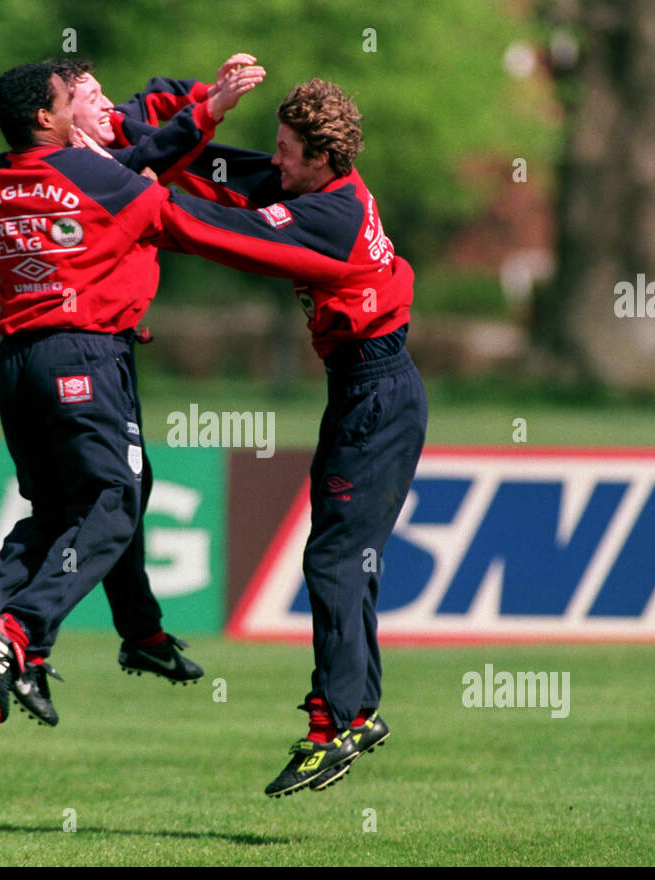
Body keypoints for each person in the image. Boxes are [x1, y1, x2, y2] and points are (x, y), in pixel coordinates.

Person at [0, 61, 262, 728]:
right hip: (81, 354)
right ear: (46, 118)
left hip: (16, 361)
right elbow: (157, 180)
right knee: (113, 503)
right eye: (72, 97)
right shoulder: (84, 173)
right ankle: (22, 632)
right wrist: (211, 116)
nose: (90, 104)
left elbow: (134, 156)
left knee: (63, 508)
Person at [153, 79, 428, 797]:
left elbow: (227, 235)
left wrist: (136, 202)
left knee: (335, 558)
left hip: (378, 395)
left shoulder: (329, 217)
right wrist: (147, 150)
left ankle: (334, 724)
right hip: (368, 390)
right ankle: (355, 712)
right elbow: (236, 176)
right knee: (345, 557)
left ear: (322, 157)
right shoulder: (316, 187)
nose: (275, 161)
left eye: (286, 151)